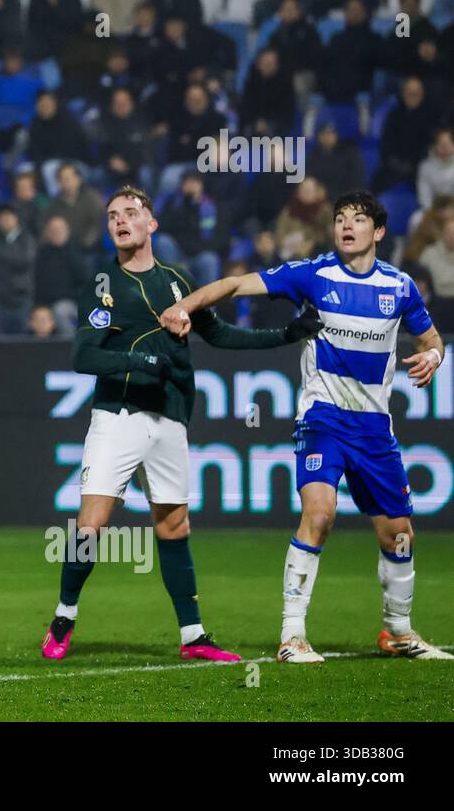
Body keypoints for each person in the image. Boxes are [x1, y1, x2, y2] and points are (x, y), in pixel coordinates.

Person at [162, 191, 452, 663]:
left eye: (357, 219)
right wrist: (186, 306)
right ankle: (291, 636)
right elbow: (237, 284)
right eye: (340, 218)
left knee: (399, 533)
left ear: (378, 232)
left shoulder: (400, 287)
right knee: (320, 513)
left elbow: (430, 335)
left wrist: (434, 355)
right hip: (323, 418)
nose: (346, 226)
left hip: (375, 428)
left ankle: (398, 632)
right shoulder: (313, 274)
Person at [42, 185, 324, 662]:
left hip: (171, 418)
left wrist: (285, 334)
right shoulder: (103, 283)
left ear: (152, 224)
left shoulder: (178, 280)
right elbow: (82, 355)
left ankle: (193, 636)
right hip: (119, 415)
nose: (120, 221)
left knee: (174, 527)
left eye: (131, 212)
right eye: (113, 215)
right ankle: (64, 615)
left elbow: (220, 335)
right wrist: (140, 359)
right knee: (91, 526)